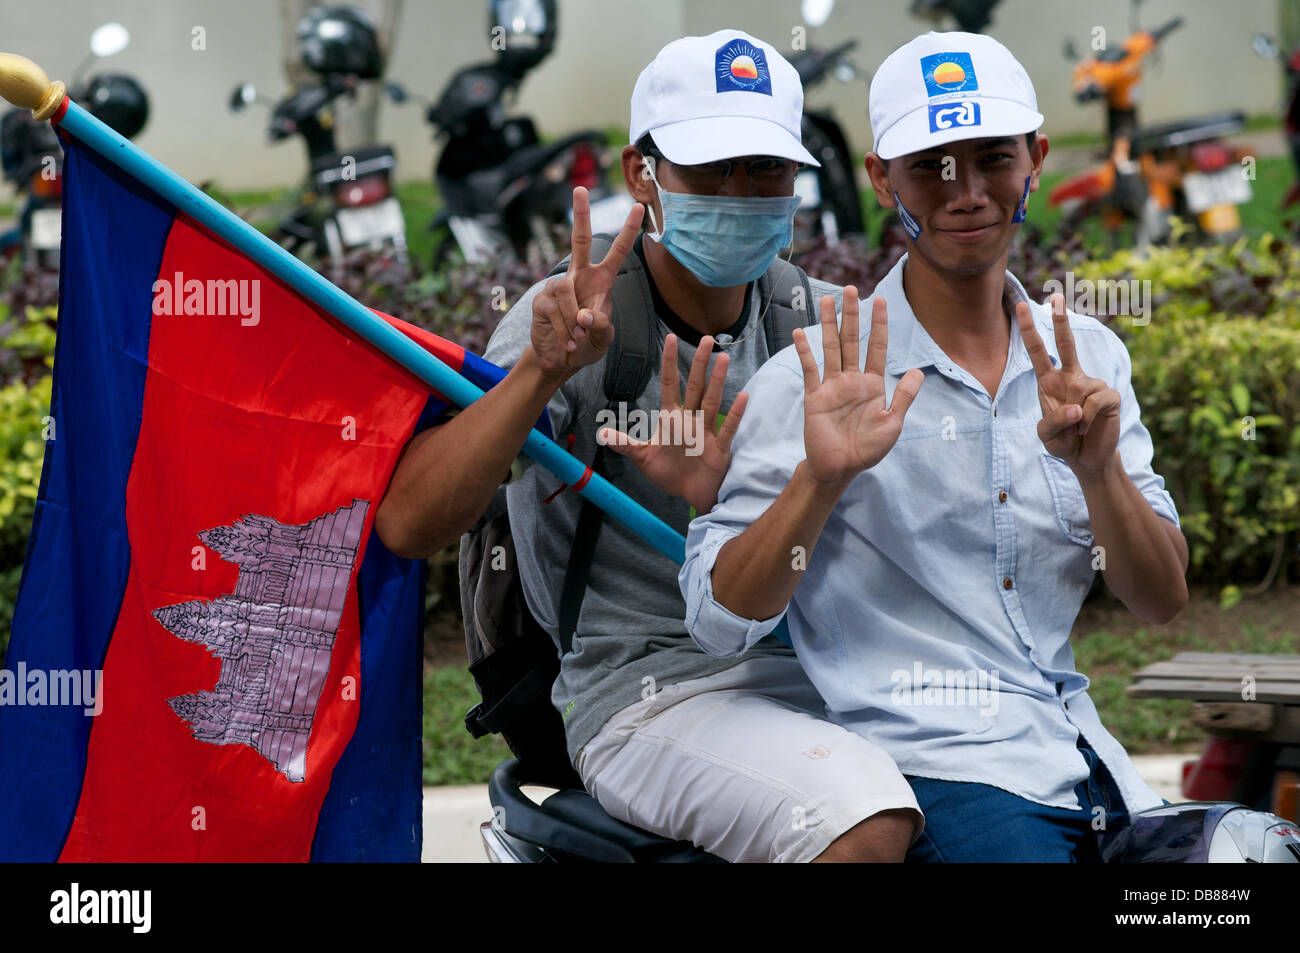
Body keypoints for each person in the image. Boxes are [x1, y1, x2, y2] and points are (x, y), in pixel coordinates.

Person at [375, 30, 923, 863]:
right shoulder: (572, 318)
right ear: (642, 173)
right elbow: (410, 523)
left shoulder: (817, 321)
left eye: (765, 170)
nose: (741, 194)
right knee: (863, 823)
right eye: (711, 170)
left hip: (823, 670)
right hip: (648, 692)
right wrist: (541, 373)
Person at [680, 31, 1190, 862]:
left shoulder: (1089, 359)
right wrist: (819, 478)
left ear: (1037, 160)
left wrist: (1099, 474)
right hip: (938, 774)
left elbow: (1161, 598)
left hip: (1091, 766)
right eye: (932, 167)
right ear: (882, 178)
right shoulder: (818, 376)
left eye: (993, 158)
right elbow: (716, 621)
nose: (968, 193)